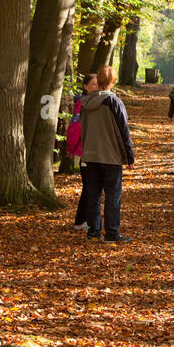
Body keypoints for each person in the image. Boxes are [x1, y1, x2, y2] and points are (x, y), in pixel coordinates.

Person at [79, 65, 135, 243]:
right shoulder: (113, 101)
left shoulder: (85, 103)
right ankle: (111, 233)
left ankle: (93, 233)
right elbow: (123, 130)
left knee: (93, 195)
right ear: (112, 82)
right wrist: (129, 156)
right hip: (110, 155)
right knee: (112, 196)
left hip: (90, 154)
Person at [69, 73, 98, 230]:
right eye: (93, 84)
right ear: (85, 86)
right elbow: (75, 127)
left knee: (90, 186)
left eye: (97, 84)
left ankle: (83, 220)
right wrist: (71, 148)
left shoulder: (96, 102)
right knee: (89, 186)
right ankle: (81, 221)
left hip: (93, 151)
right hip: (83, 151)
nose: (96, 87)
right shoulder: (82, 103)